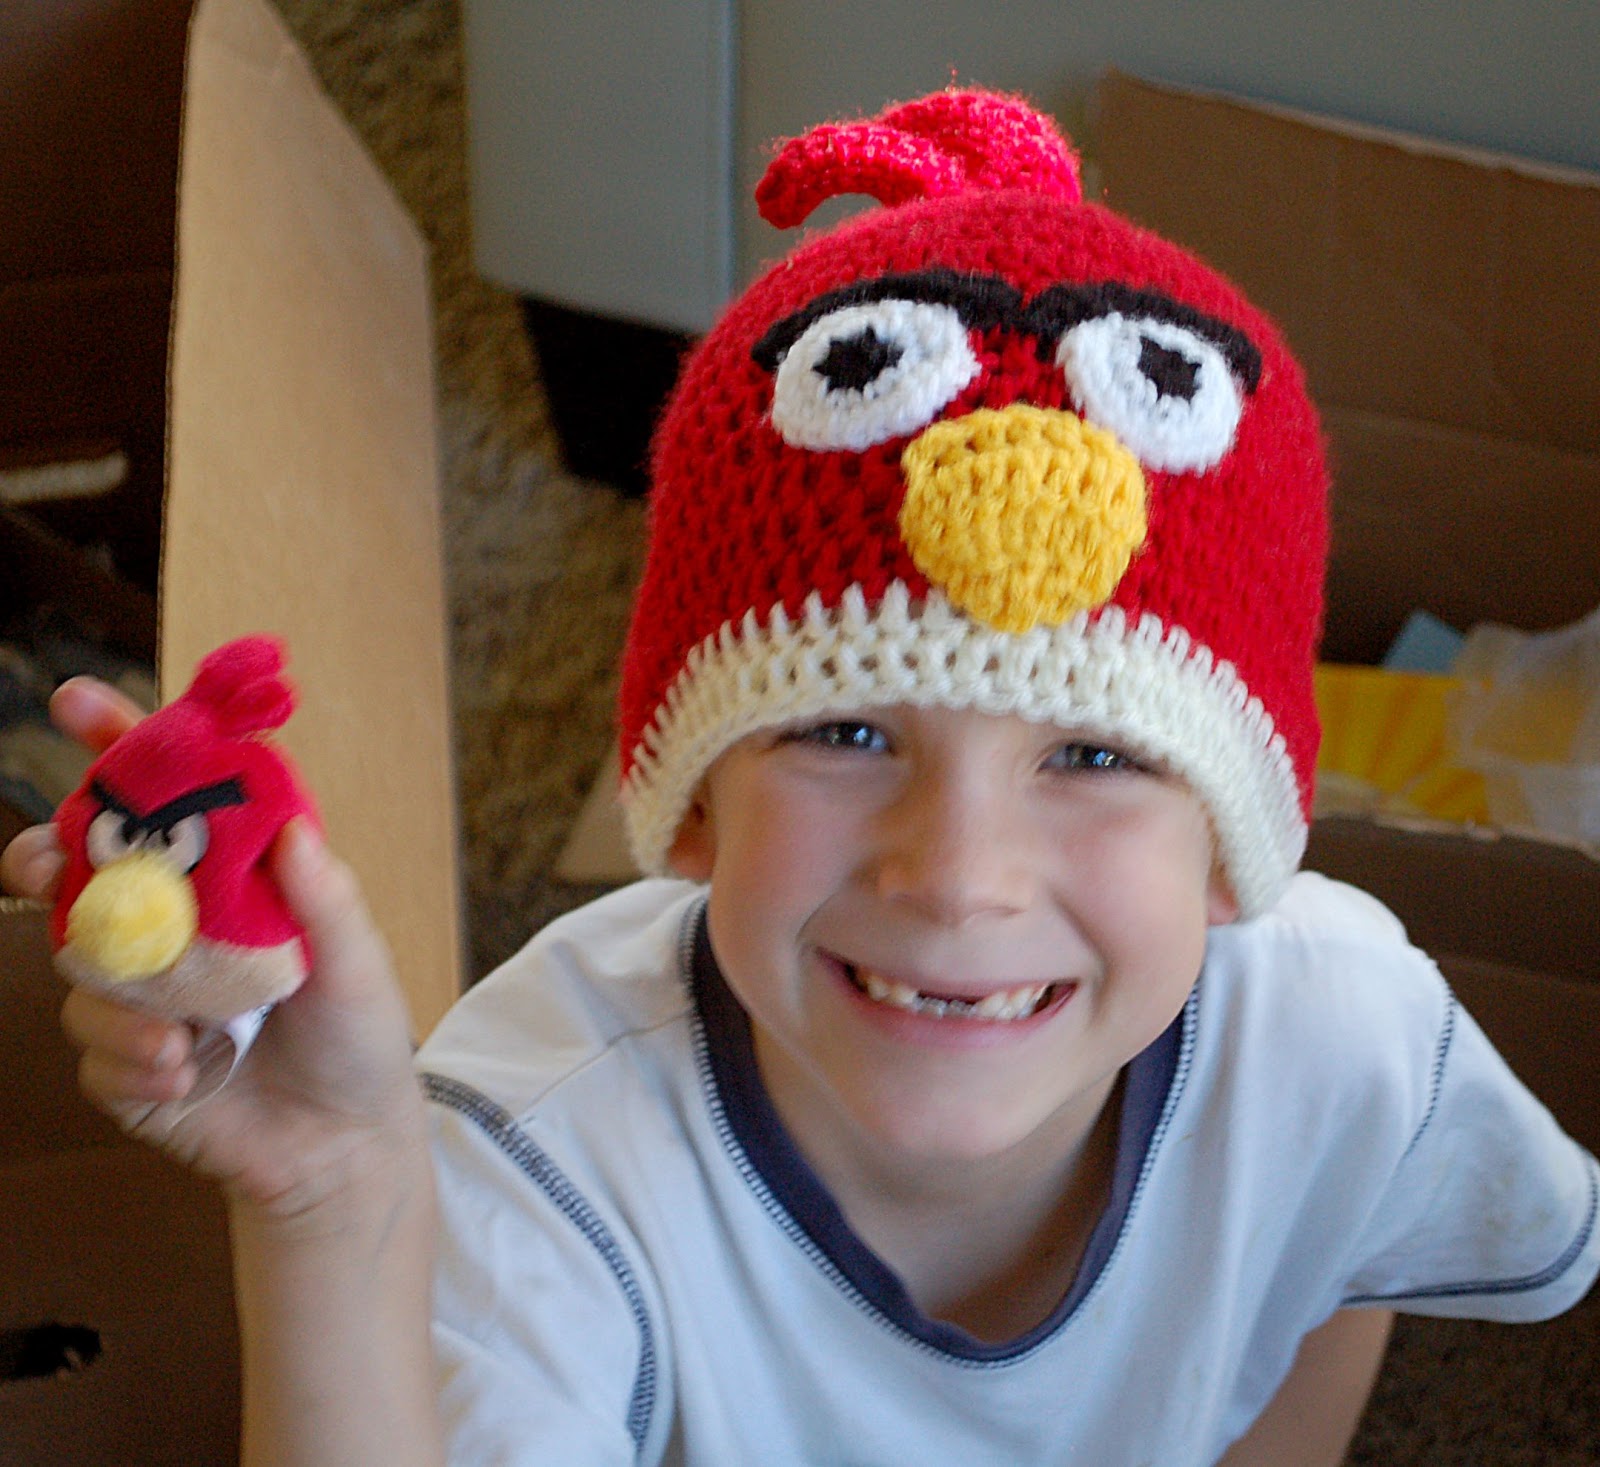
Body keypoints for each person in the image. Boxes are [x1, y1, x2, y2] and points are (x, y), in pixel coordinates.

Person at [6, 89, 1596, 1466]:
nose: (959, 874)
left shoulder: (1344, 1034)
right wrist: (337, 1202)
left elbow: (1351, 1256)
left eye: (1096, 756)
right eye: (846, 733)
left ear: (1240, 857)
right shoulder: (538, 1153)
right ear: (691, 804)